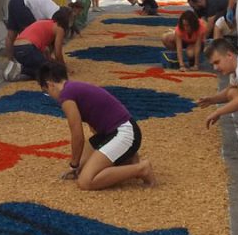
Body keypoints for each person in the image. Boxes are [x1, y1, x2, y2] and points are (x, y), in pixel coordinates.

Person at [38, 62, 154, 190]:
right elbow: (95, 125)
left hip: (124, 132)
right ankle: (129, 159)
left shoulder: (66, 96)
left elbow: (77, 136)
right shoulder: (73, 88)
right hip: (118, 132)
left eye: (47, 92)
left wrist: (74, 165)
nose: (51, 97)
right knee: (83, 167)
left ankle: (141, 169)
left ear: (50, 85)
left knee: (85, 181)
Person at [4, 0, 62, 67]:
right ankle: (31, 63)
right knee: (31, 38)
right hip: (23, 3)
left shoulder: (52, 7)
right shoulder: (55, 12)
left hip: (15, 0)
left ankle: (11, 62)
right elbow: (49, 34)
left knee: (11, 35)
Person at [11, 9, 71, 81]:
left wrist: (52, 62)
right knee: (48, 71)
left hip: (16, 49)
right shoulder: (59, 28)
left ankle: (22, 68)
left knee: (43, 67)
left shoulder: (46, 23)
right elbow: (58, 53)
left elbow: (46, 53)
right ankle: (22, 69)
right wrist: (64, 68)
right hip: (27, 48)